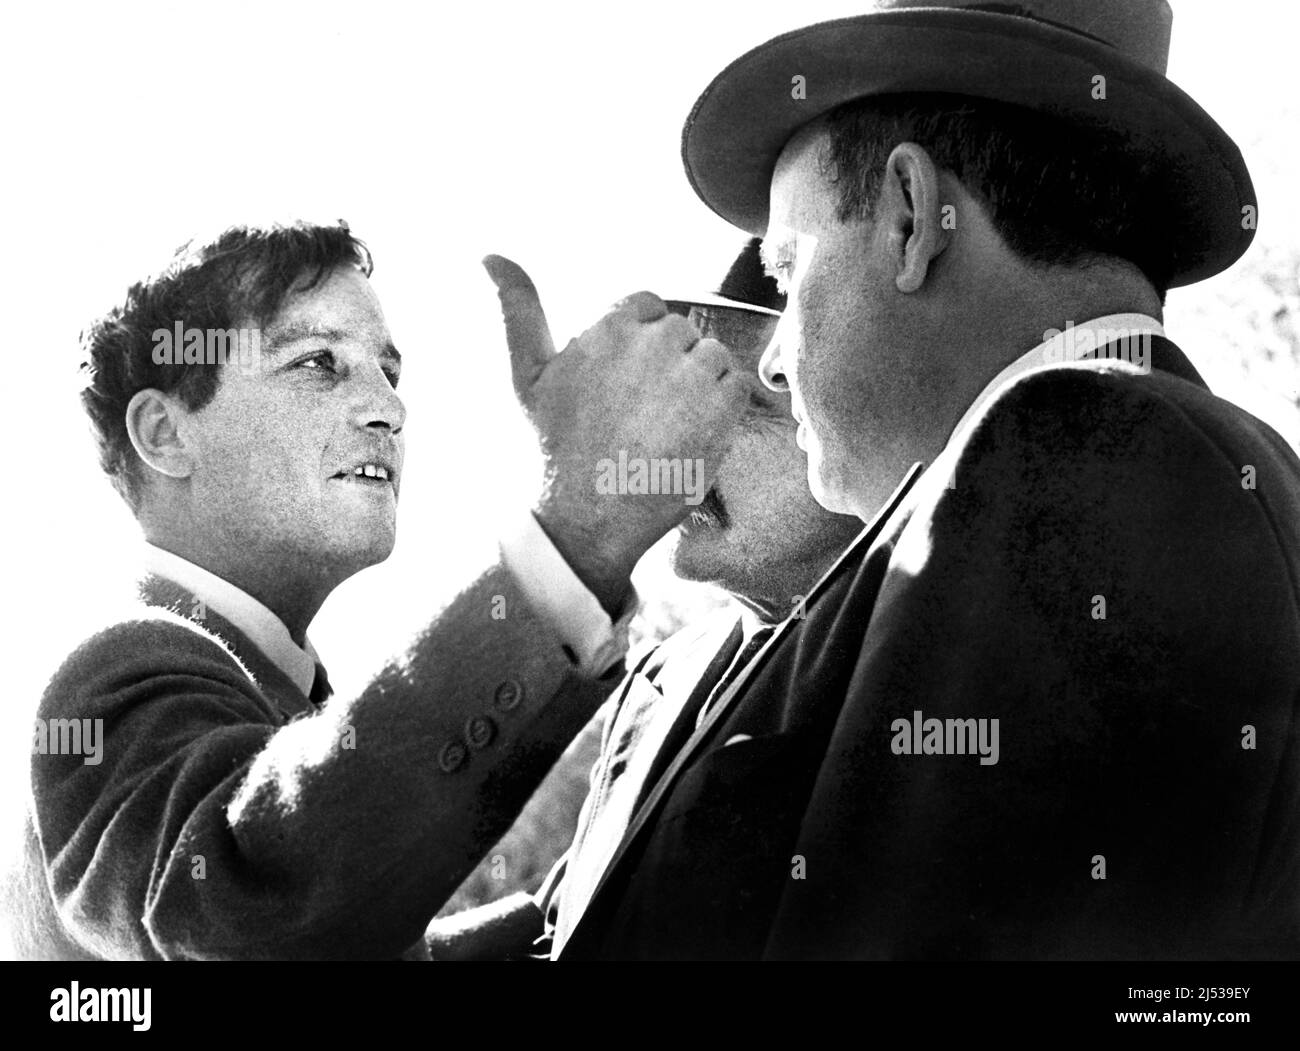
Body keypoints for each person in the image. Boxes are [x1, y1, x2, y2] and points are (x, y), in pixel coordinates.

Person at [558, 0, 1300, 959]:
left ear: (912, 219)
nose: (773, 361)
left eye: (785, 275)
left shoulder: (1078, 451)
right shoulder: (1149, 457)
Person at [15, 220, 746, 959]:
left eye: (389, 374)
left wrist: (599, 881)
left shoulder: (289, 697)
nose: (388, 410)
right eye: (318, 363)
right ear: (165, 433)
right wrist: (579, 529)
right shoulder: (112, 677)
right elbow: (249, 919)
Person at [426, 239, 863, 959]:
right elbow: (566, 927)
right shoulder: (661, 673)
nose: (684, 457)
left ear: (834, 423)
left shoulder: (916, 660)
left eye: (742, 406)